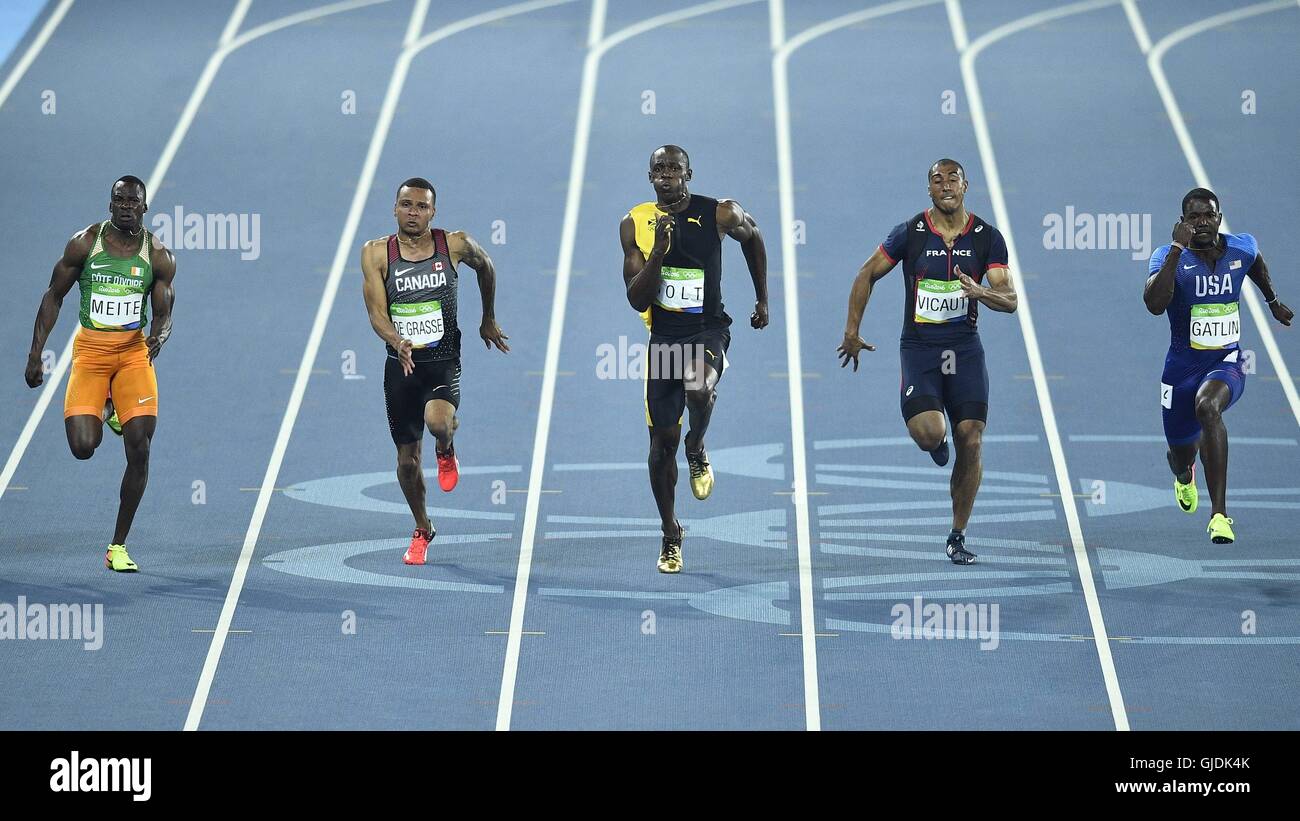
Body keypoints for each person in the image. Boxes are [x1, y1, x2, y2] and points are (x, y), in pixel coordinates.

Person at [838, 159, 1017, 565]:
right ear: (930, 190)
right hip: (920, 351)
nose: (946, 185)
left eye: (953, 178)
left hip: (965, 350)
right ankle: (936, 444)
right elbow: (866, 273)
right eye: (938, 180)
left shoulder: (988, 238)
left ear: (966, 185)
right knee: (930, 433)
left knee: (970, 437)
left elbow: (1010, 301)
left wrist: (980, 293)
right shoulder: (911, 233)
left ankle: (957, 534)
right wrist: (851, 332)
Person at [619, 145, 769, 573]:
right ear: (650, 176)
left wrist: (762, 300)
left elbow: (754, 237)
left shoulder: (719, 213)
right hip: (665, 339)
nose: (667, 175)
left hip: (708, 329)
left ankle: (698, 445)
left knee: (699, 386)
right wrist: (660, 254)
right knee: (659, 447)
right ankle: (671, 533)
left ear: (689, 173)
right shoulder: (635, 224)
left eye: (675, 168)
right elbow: (636, 299)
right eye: (659, 169)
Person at [24, 175, 176, 572]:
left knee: (140, 446)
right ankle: (107, 405)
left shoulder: (158, 256)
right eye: (119, 200)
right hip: (91, 355)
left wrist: (158, 337)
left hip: (131, 356)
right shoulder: (84, 245)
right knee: (82, 448)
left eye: (133, 201)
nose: (126, 206)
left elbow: (163, 314)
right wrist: (36, 354)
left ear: (145, 208)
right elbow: (53, 296)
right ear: (110, 205)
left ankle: (118, 546)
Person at [361, 178, 509, 565]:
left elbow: (487, 265)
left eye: (421, 207)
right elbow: (376, 311)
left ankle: (446, 450)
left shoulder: (454, 244)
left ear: (433, 212)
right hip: (401, 367)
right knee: (407, 463)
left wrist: (487, 319)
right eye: (406, 205)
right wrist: (396, 340)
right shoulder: (377, 254)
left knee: (439, 420)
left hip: (442, 359)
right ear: (394, 209)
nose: (413, 213)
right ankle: (422, 528)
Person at [1143, 187, 1292, 544]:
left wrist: (1271, 300)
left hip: (1228, 361)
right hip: (1181, 369)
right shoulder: (1167, 257)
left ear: (1219, 218)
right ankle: (1183, 474)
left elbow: (1255, 260)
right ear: (1182, 223)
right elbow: (1153, 303)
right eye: (1193, 217)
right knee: (1181, 452)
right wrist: (1177, 251)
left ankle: (1220, 515)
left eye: (1208, 215)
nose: (1202, 223)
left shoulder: (1241, 247)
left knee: (1209, 408)